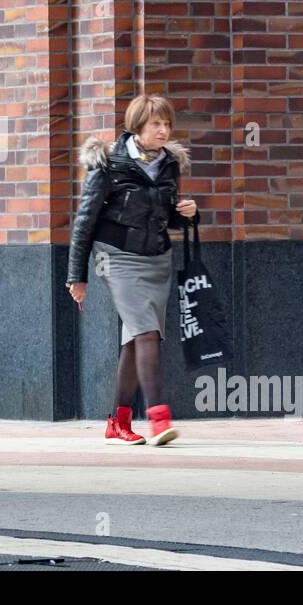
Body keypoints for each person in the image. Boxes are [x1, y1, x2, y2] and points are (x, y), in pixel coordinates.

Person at [65, 94, 198, 446]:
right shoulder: (110, 163)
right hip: (116, 257)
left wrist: (186, 213)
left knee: (136, 340)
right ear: (137, 126)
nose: (164, 130)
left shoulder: (168, 163)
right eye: (156, 124)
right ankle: (159, 419)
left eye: (167, 124)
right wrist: (76, 276)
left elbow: (163, 215)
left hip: (156, 259)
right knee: (147, 334)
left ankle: (117, 423)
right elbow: (84, 221)